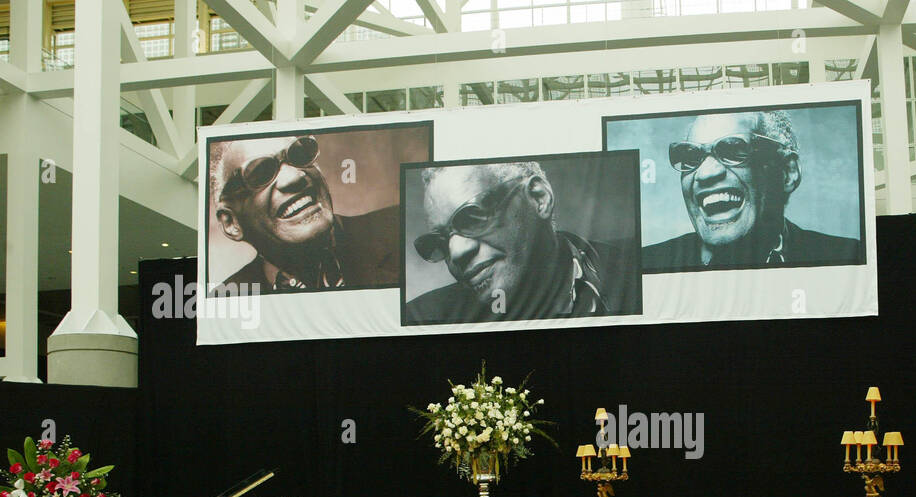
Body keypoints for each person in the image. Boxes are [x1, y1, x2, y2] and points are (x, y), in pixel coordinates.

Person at [404, 161, 639, 325]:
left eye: (472, 217)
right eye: (440, 242)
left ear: (539, 198)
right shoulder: (424, 317)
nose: (456, 252)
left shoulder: (633, 272)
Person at [642, 110, 862, 271]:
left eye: (734, 150)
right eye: (691, 157)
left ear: (787, 172)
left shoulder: (847, 258)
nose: (705, 173)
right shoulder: (645, 265)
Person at [210, 134, 399, 291]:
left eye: (299, 154)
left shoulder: (402, 232)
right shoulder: (226, 303)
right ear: (231, 223)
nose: (294, 177)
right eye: (260, 173)